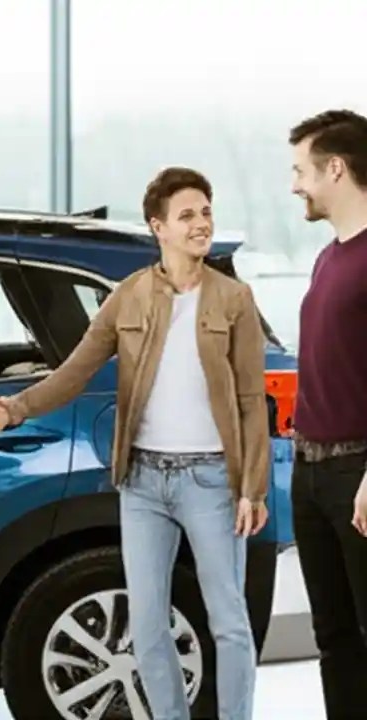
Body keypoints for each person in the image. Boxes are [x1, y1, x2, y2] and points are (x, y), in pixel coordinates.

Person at [0, 167, 269, 720]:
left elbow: (252, 402)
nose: (201, 224)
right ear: (158, 226)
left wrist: (251, 488)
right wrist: (14, 409)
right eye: (187, 215)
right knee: (148, 620)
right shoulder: (130, 297)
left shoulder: (234, 299)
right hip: (142, 483)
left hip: (211, 480)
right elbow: (74, 371)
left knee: (228, 621)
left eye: (206, 212)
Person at [286, 108, 367, 719]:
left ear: (335, 168)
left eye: (301, 170)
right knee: (334, 640)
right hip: (309, 471)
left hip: (358, 474)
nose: (295, 186)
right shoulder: (327, 258)